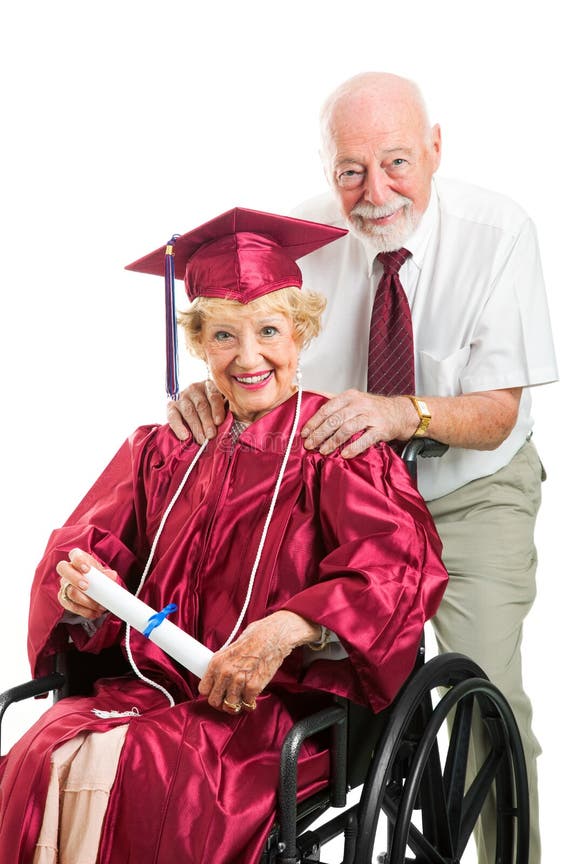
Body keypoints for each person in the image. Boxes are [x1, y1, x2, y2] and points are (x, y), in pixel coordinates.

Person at [167, 74, 558, 864]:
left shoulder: (498, 233)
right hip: (337, 500)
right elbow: (251, 350)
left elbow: (497, 414)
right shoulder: (298, 245)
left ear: (436, 149)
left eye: (397, 163)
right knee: (273, 652)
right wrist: (201, 398)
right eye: (350, 171)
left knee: (487, 695)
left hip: (469, 489)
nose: (375, 193)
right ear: (327, 169)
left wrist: (399, 412)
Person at [0, 207, 448, 864]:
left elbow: (396, 568)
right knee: (45, 749)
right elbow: (82, 545)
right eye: (223, 337)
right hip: (146, 684)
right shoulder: (165, 447)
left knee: (156, 771)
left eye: (269, 330)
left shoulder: (337, 447)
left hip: (270, 709)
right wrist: (79, 591)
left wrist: (292, 625)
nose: (248, 357)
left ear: (299, 334)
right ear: (199, 343)